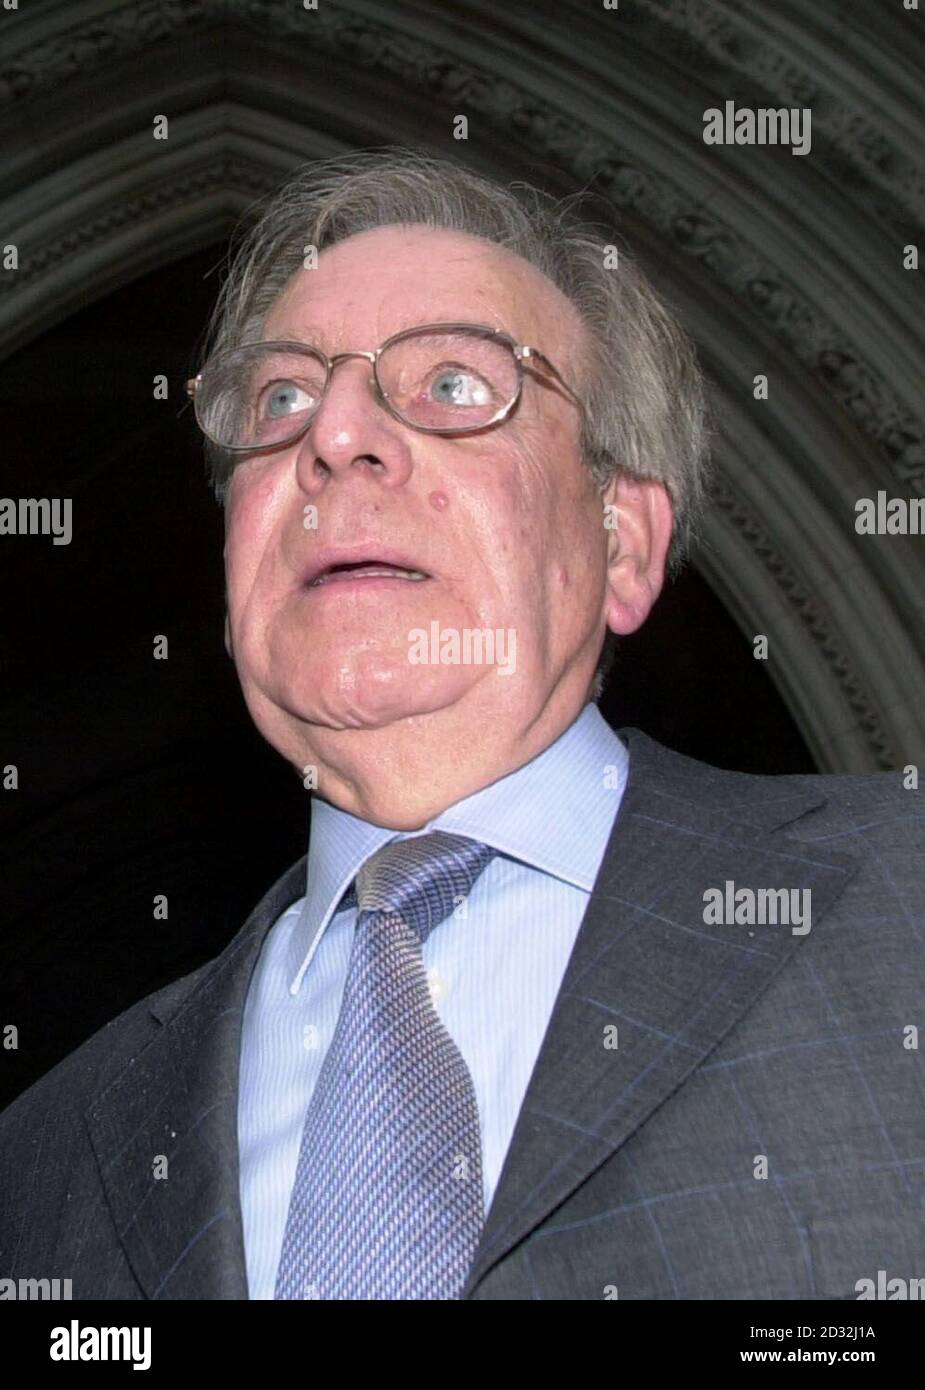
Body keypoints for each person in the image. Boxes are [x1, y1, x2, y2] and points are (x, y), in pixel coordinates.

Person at [1, 149, 921, 1302]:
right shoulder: (45, 1155)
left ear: (623, 543)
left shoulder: (901, 902)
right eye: (280, 399)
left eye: (451, 383)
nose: (333, 434)